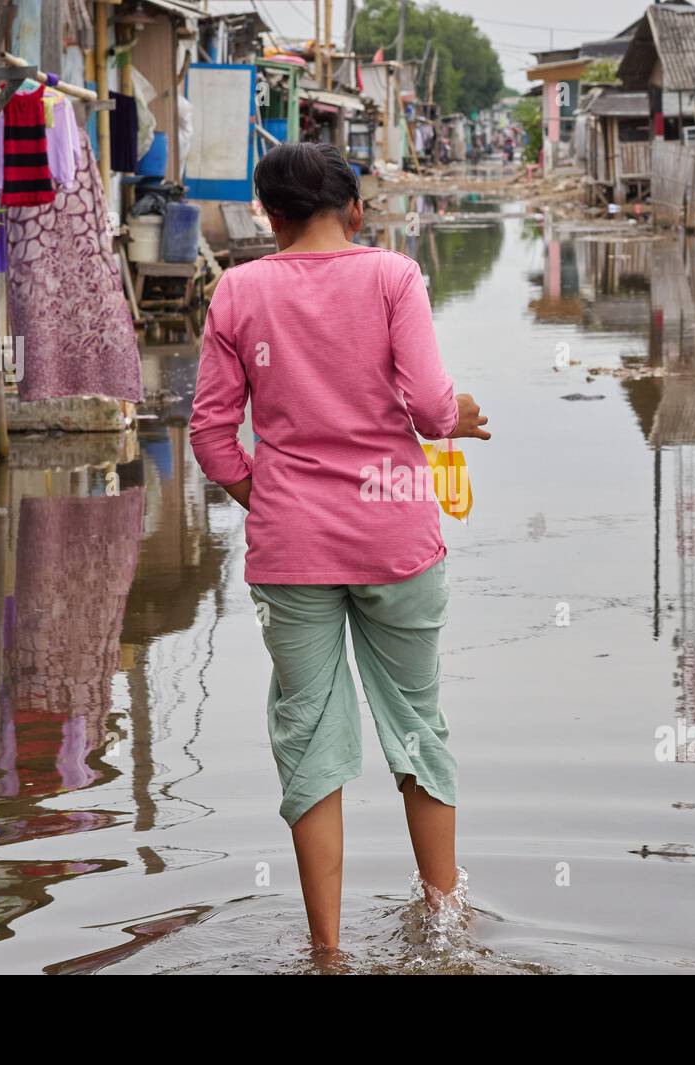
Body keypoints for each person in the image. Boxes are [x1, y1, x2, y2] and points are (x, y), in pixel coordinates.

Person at [188, 142, 490, 954]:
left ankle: (327, 953)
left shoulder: (237, 290)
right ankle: (444, 926)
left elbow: (213, 437)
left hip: (294, 553)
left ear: (271, 215)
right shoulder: (393, 276)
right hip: (395, 538)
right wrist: (455, 414)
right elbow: (430, 409)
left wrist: (276, 501)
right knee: (419, 728)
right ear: (355, 210)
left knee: (310, 740)